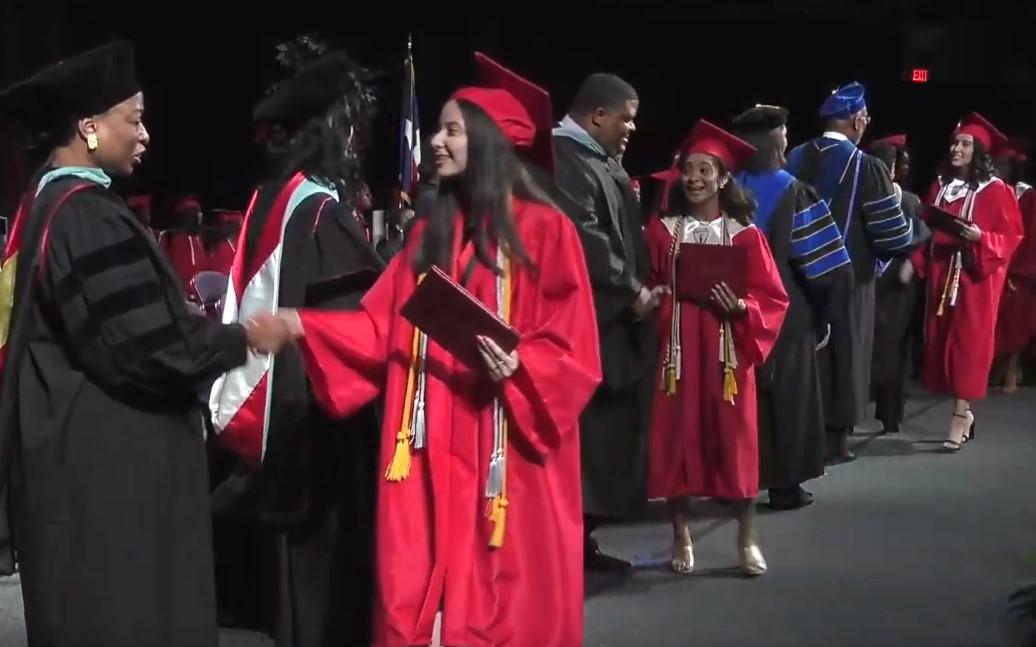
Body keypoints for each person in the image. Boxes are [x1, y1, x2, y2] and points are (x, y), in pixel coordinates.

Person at [246, 52, 600, 647]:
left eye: (452, 131)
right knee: (417, 591)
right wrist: (301, 325)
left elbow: (575, 350)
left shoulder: (545, 231)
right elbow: (377, 327)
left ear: (488, 142)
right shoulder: (430, 236)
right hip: (428, 443)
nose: (436, 142)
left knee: (505, 598)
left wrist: (522, 364)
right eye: (438, 129)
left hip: (502, 445)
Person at [0, 40, 259, 647]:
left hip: (78, 473)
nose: (145, 135)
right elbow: (146, 344)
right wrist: (236, 339)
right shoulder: (84, 213)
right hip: (108, 489)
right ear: (88, 127)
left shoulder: (48, 201)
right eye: (134, 119)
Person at [208, 51, 385, 647]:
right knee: (329, 577)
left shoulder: (272, 198)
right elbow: (359, 314)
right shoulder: (318, 211)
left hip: (281, 411)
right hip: (319, 418)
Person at [644, 120, 788, 575]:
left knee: (737, 442)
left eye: (705, 170)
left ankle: (746, 538)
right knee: (676, 439)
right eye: (688, 169)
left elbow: (773, 298)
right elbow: (649, 282)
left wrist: (742, 307)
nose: (694, 178)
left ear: (724, 179)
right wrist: (655, 296)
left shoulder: (746, 236)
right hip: (679, 351)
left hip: (728, 352)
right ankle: (680, 534)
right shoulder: (663, 233)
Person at [553, 72, 659, 569]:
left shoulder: (593, 159)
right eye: (626, 119)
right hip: (588, 322)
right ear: (598, 115)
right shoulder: (565, 158)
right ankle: (569, 545)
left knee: (605, 436)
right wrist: (630, 290)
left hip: (611, 319)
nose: (631, 129)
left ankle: (581, 539)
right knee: (590, 436)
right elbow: (584, 237)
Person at [732, 105, 852, 510]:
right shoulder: (794, 191)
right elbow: (824, 266)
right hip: (786, 314)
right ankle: (785, 487)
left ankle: (737, 482)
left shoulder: (727, 189)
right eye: (784, 133)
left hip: (733, 310)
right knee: (788, 398)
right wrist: (828, 311)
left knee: (742, 398)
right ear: (776, 140)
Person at [786, 82, 913, 463]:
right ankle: (834, 441)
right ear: (857, 120)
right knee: (845, 356)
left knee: (804, 356)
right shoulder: (866, 166)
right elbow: (893, 237)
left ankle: (796, 436)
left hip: (795, 281)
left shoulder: (793, 157)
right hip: (851, 282)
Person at [916, 113, 1023, 449]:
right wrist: (917, 262)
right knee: (942, 341)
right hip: (942, 273)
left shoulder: (997, 191)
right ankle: (964, 412)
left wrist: (981, 238)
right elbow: (926, 229)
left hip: (975, 277)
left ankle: (960, 414)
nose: (956, 149)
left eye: (965, 144)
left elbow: (1011, 237)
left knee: (968, 344)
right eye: (954, 143)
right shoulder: (941, 187)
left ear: (978, 152)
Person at [867, 135, 930, 434]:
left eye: (888, 166)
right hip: (868, 279)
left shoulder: (909, 201)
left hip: (898, 284)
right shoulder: (861, 199)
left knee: (894, 349)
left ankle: (890, 412)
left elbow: (922, 243)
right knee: (865, 345)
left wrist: (912, 264)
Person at [992, 139, 1036, 393]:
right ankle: (1000, 370)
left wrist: (1015, 269)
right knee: (1000, 322)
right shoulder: (998, 192)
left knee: (1015, 322)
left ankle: (1011, 372)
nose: (999, 170)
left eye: (1003, 166)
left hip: (1019, 268)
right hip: (1000, 262)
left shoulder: (1028, 197)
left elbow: (1028, 238)